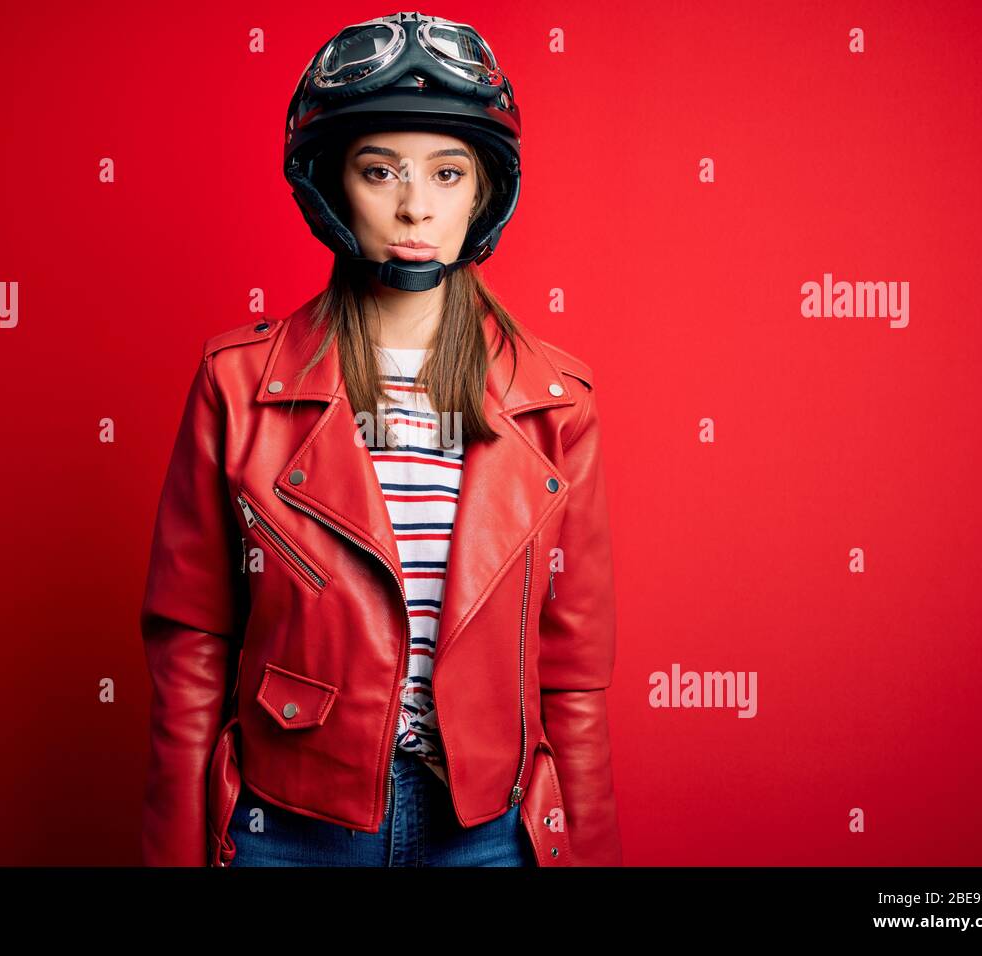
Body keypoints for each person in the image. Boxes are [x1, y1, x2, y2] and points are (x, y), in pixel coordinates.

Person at [139, 11, 623, 867]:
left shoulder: (556, 403)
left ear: (483, 194)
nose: (414, 205)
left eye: (447, 173)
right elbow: (191, 651)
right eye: (380, 171)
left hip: (487, 831)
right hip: (289, 825)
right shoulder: (237, 383)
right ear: (332, 187)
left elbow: (574, 678)